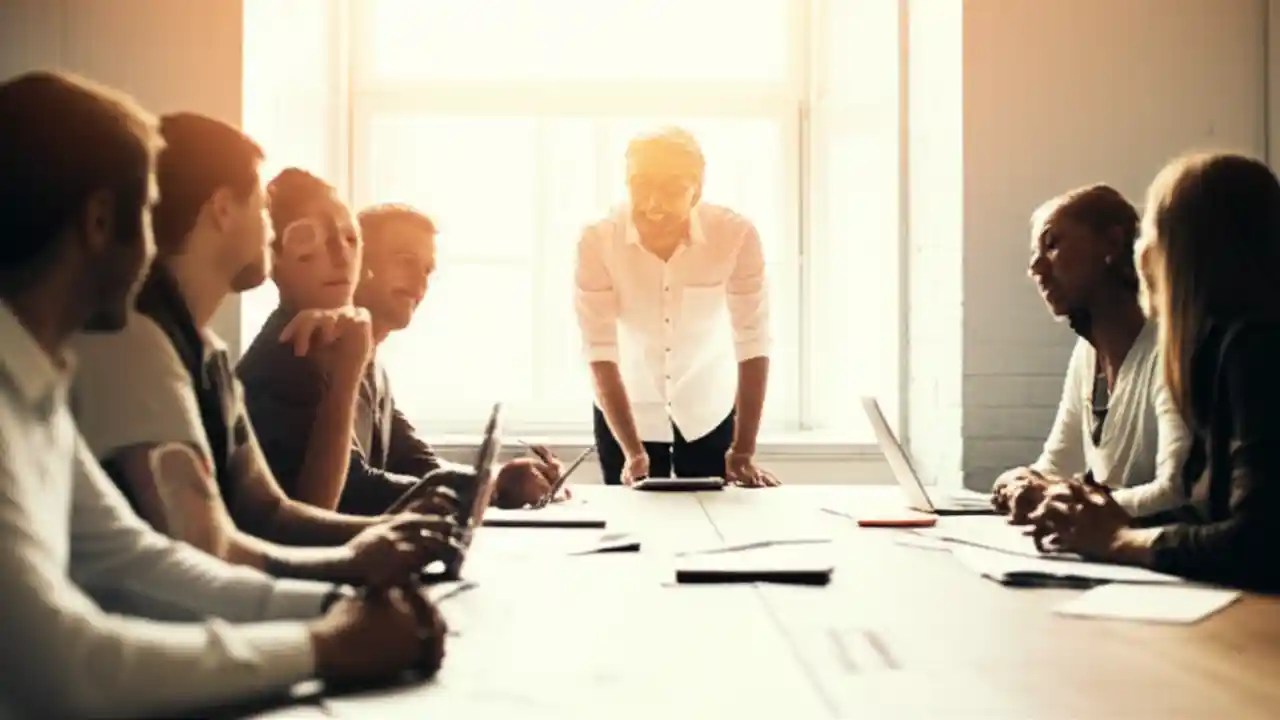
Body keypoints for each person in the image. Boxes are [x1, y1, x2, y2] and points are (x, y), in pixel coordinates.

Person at [0, 71, 445, 718]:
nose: (156, 237)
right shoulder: (89, 364)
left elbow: (137, 561)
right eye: (146, 211)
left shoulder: (38, 386)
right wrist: (323, 645)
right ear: (100, 221)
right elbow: (69, 668)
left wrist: (335, 608)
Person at [71, 113, 457, 585]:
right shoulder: (139, 345)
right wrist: (343, 583)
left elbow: (271, 512)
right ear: (223, 209)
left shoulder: (207, 352)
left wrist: (395, 535)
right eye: (262, 207)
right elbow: (204, 555)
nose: (273, 231)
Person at [1027, 153, 1280, 591]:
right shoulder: (1218, 350)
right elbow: (1206, 510)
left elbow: (1259, 542)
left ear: (1192, 250)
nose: (1140, 251)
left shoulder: (1253, 349)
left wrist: (1117, 539)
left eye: (1150, 233)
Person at [239, 184, 563, 511]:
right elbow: (353, 491)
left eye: (427, 269)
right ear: (361, 261)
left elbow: (416, 463)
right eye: (406, 262)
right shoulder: (300, 349)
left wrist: (496, 481)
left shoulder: (365, 358)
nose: (420, 283)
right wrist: (487, 489)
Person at [574, 127, 779, 487]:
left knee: (712, 525)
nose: (653, 203)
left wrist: (743, 450)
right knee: (633, 528)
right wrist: (634, 452)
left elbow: (753, 342)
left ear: (697, 188)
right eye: (641, 185)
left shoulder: (735, 235)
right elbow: (599, 350)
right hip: (626, 407)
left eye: (671, 189)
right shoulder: (597, 240)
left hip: (707, 407)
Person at [991, 185, 1191, 522]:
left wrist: (1063, 501)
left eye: (1052, 244)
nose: (1035, 268)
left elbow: (1175, 493)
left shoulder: (1167, 349)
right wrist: (1017, 482)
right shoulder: (1086, 355)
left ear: (1112, 243)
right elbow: (1054, 468)